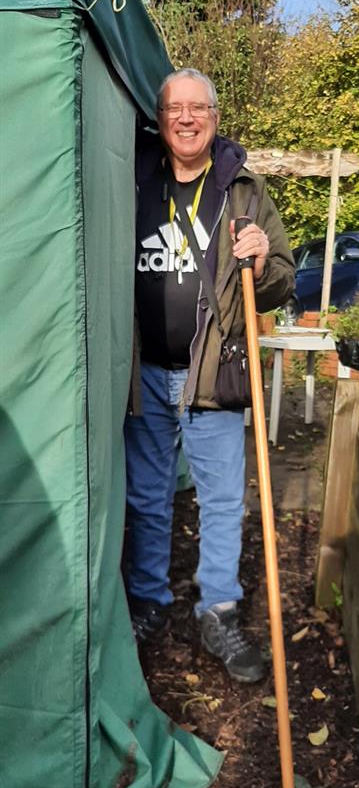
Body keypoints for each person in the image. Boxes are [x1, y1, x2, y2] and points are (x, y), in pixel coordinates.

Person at [124, 68, 295, 683]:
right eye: (176, 109)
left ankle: (217, 610)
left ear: (215, 118)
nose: (188, 119)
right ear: (160, 118)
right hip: (143, 372)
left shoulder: (243, 191)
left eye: (199, 109)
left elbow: (281, 277)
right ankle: (147, 601)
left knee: (222, 501)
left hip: (212, 372)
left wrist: (261, 260)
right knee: (145, 497)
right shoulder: (134, 179)